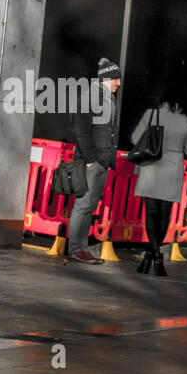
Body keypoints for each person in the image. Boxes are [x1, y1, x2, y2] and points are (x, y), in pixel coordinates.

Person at [130, 88, 187, 276]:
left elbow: (135, 138)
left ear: (164, 101)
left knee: (151, 213)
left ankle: (152, 255)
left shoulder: (151, 115)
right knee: (164, 214)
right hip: (172, 168)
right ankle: (155, 255)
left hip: (151, 166)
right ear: (181, 105)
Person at [66, 57, 121, 265]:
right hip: (93, 160)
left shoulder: (109, 98)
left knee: (89, 206)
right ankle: (75, 250)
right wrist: (90, 158)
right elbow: (81, 129)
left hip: (102, 160)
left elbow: (110, 131)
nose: (119, 83)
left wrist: (109, 158)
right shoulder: (91, 96)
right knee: (83, 205)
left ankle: (82, 249)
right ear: (107, 78)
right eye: (116, 79)